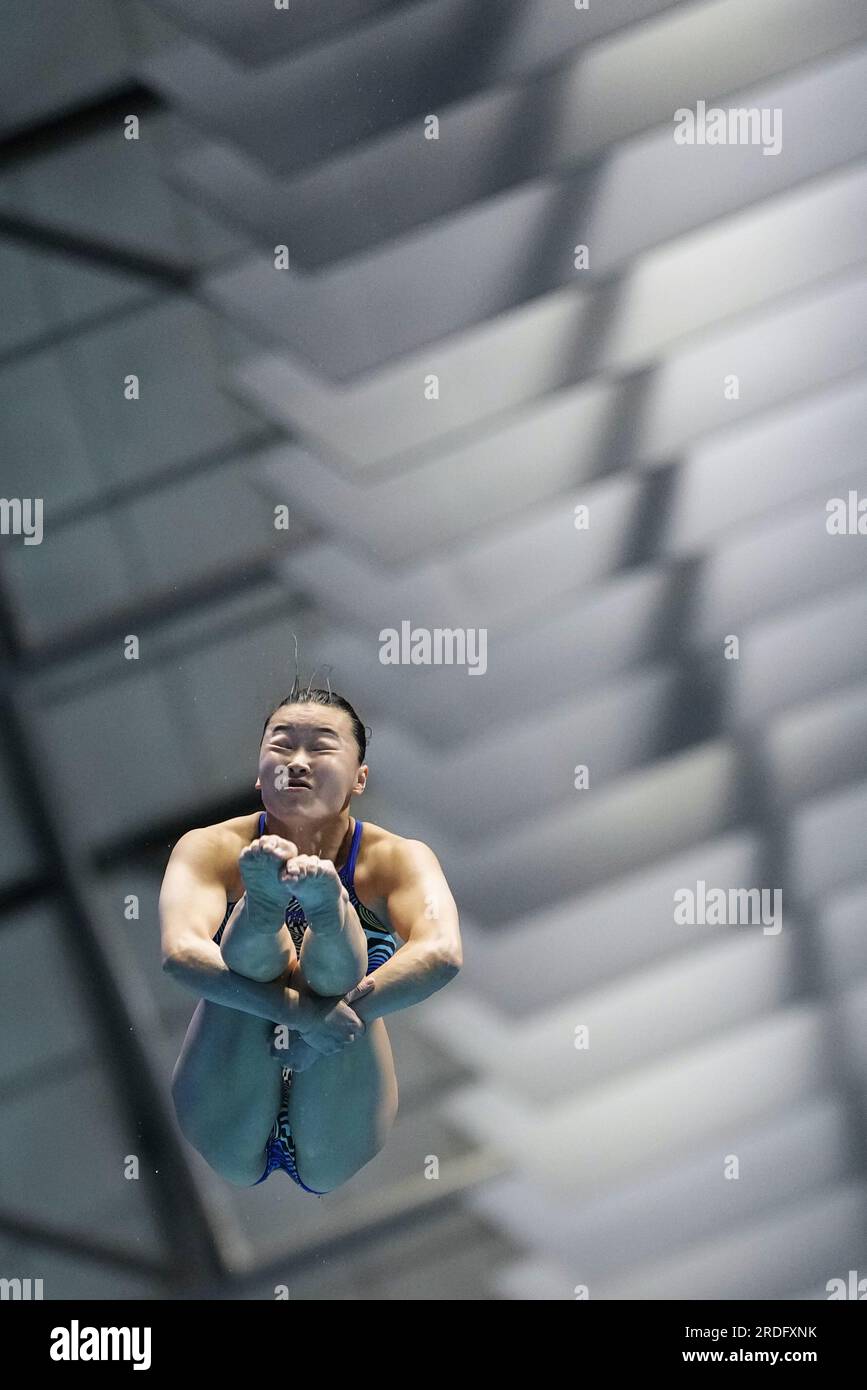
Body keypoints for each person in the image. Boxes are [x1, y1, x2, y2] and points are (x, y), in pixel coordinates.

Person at [159, 679, 462, 1196]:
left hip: (335, 1106)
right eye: (281, 744)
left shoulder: (397, 858)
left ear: (360, 778)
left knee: (335, 973)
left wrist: (338, 1014)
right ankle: (266, 912)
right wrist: (305, 1016)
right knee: (260, 961)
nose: (297, 761)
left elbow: (442, 952)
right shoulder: (209, 847)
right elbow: (180, 952)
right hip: (232, 1098)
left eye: (321, 746)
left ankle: (310, 912)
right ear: (259, 773)